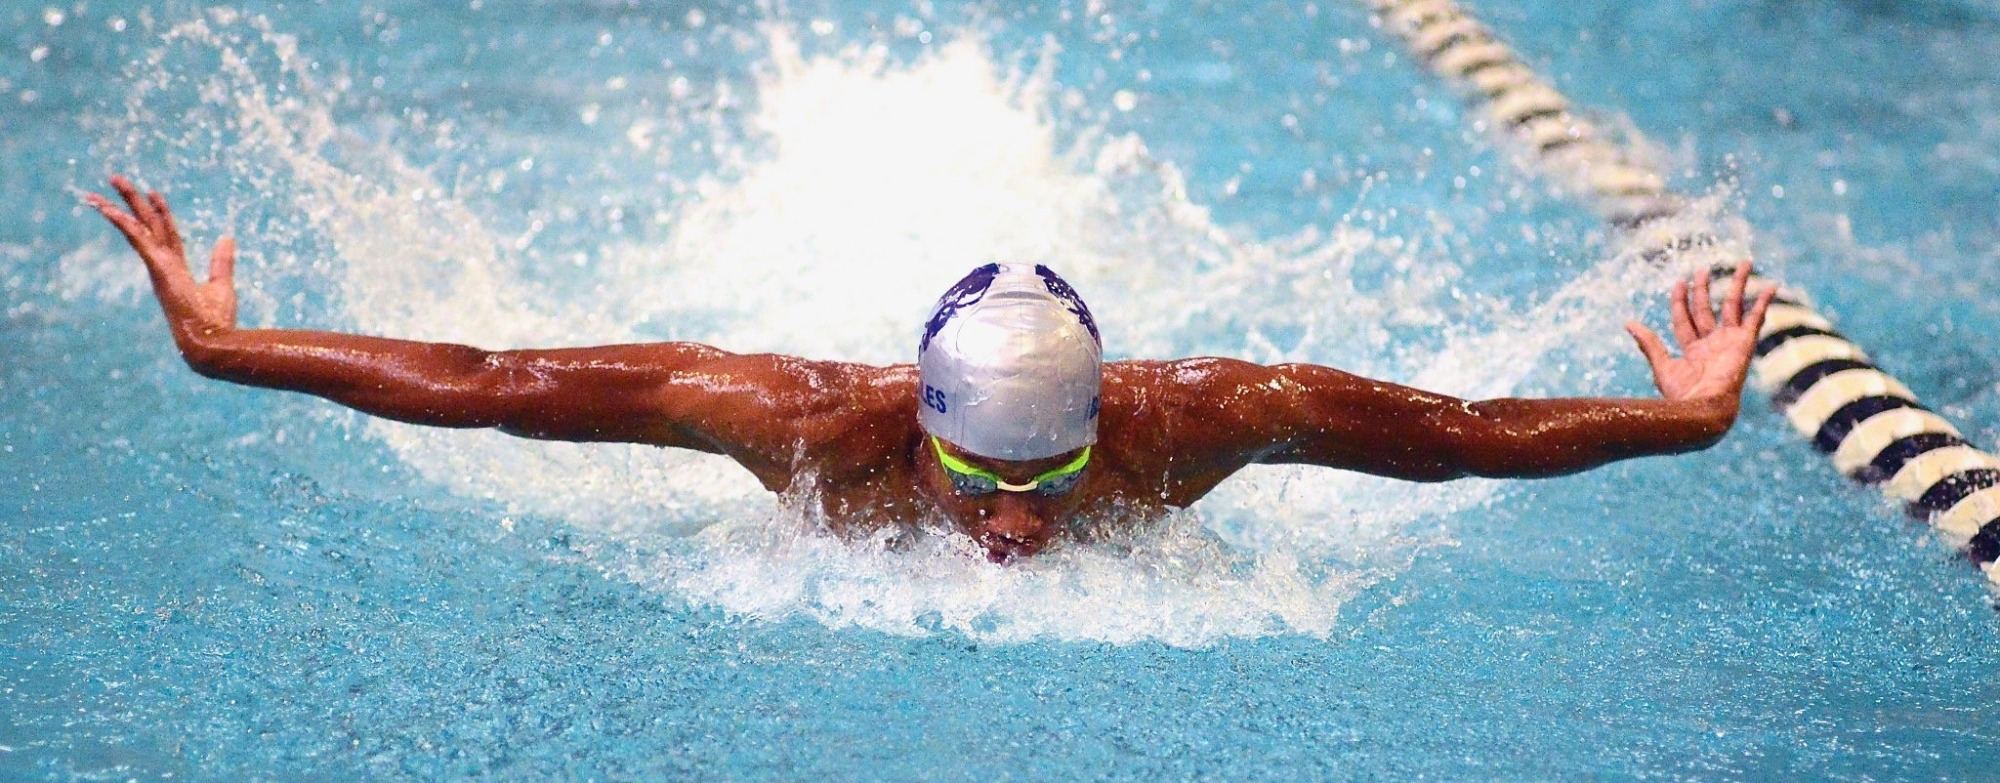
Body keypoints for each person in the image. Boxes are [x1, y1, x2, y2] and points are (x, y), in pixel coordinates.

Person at [88, 175, 1774, 563]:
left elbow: (1462, 436)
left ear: (1107, 427)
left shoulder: (1196, 429)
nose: (1015, 525)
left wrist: (1684, 424)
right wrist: (227, 345)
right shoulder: (794, 425)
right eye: (984, 478)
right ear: (926, 429)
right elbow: (486, 376)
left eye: (1050, 480)